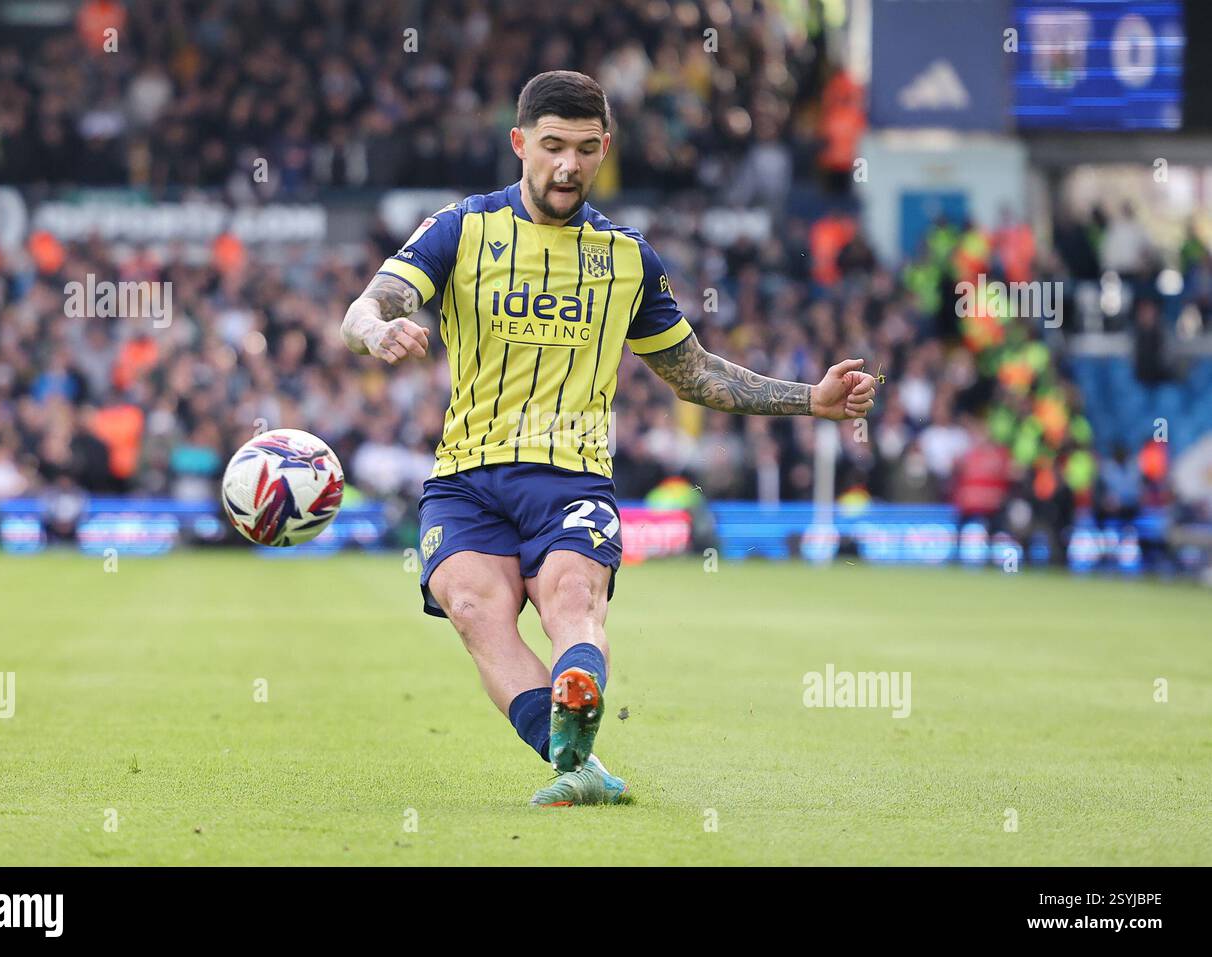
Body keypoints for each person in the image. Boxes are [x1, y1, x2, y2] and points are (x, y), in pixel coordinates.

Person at [339, 71, 876, 807]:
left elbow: (693, 373)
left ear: (605, 150)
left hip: (572, 477)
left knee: (569, 598)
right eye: (553, 146)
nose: (569, 165)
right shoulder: (462, 228)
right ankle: (575, 759)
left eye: (586, 150)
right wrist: (377, 329)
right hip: (466, 476)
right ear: (520, 143)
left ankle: (577, 695)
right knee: (471, 606)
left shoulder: (627, 257)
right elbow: (368, 304)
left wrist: (809, 400)